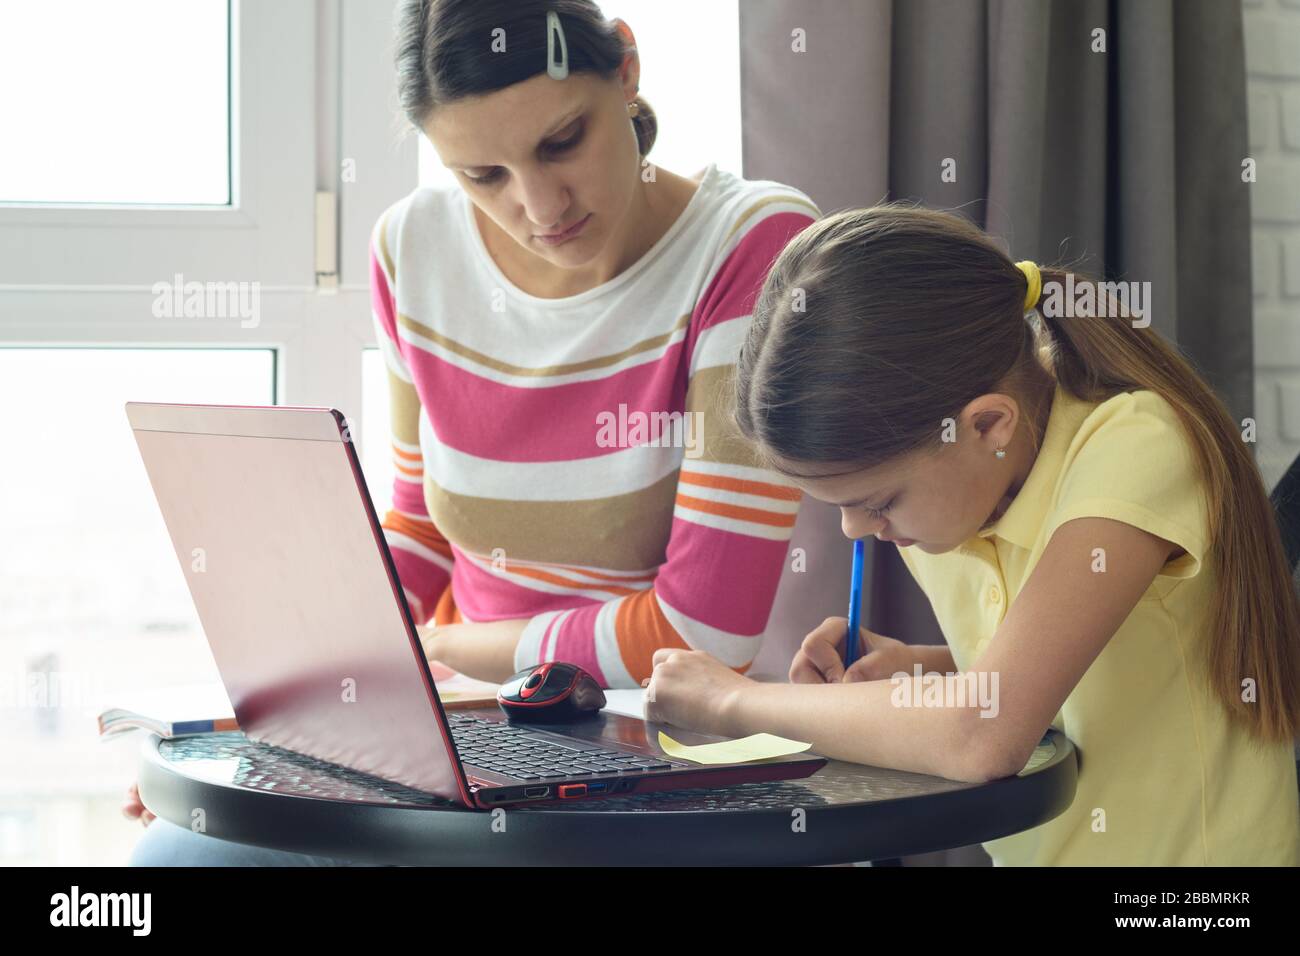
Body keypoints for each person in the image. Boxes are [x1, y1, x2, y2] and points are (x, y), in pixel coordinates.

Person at [127, 0, 819, 864]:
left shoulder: (753, 246)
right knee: (184, 854)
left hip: (652, 750)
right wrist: (272, 710)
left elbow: (699, 637)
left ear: (627, 70)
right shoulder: (411, 248)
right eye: (483, 176)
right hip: (460, 730)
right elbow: (420, 530)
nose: (538, 205)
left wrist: (439, 650)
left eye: (562, 141)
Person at [642, 204, 1300, 866]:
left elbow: (985, 736)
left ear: (987, 426)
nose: (857, 531)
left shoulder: (1136, 447)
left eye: (878, 501)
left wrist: (737, 702)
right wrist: (926, 668)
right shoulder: (962, 493)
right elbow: (1074, 672)